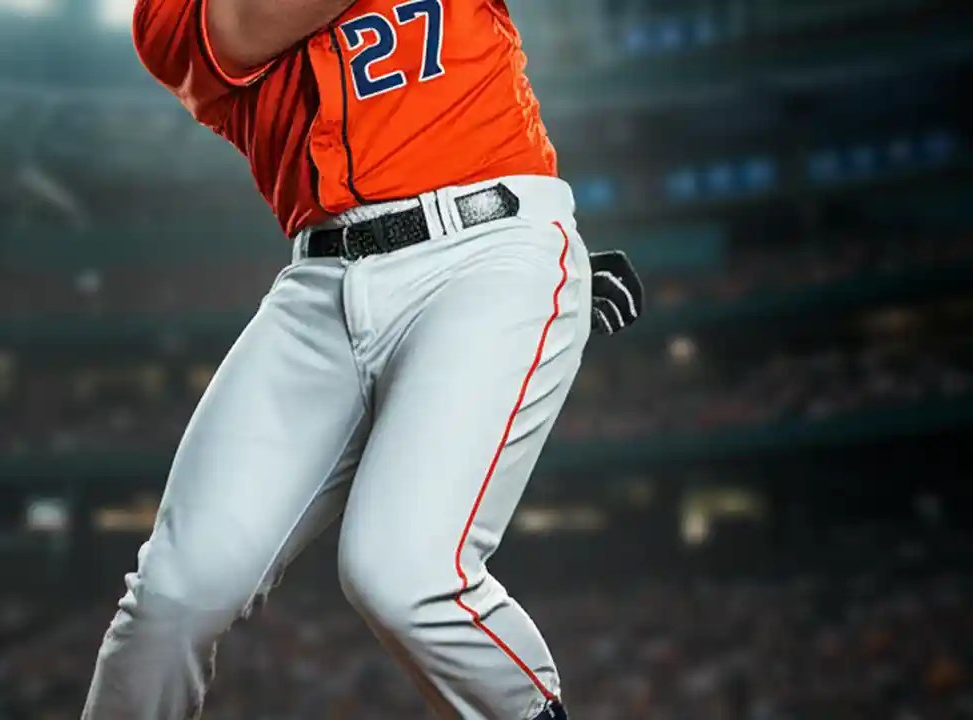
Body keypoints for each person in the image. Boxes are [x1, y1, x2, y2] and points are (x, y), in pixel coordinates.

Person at [82, 0, 643, 717]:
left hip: (487, 245)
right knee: (175, 593)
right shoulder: (165, 19)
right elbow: (253, 21)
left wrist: (539, 278)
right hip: (320, 283)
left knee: (404, 574)